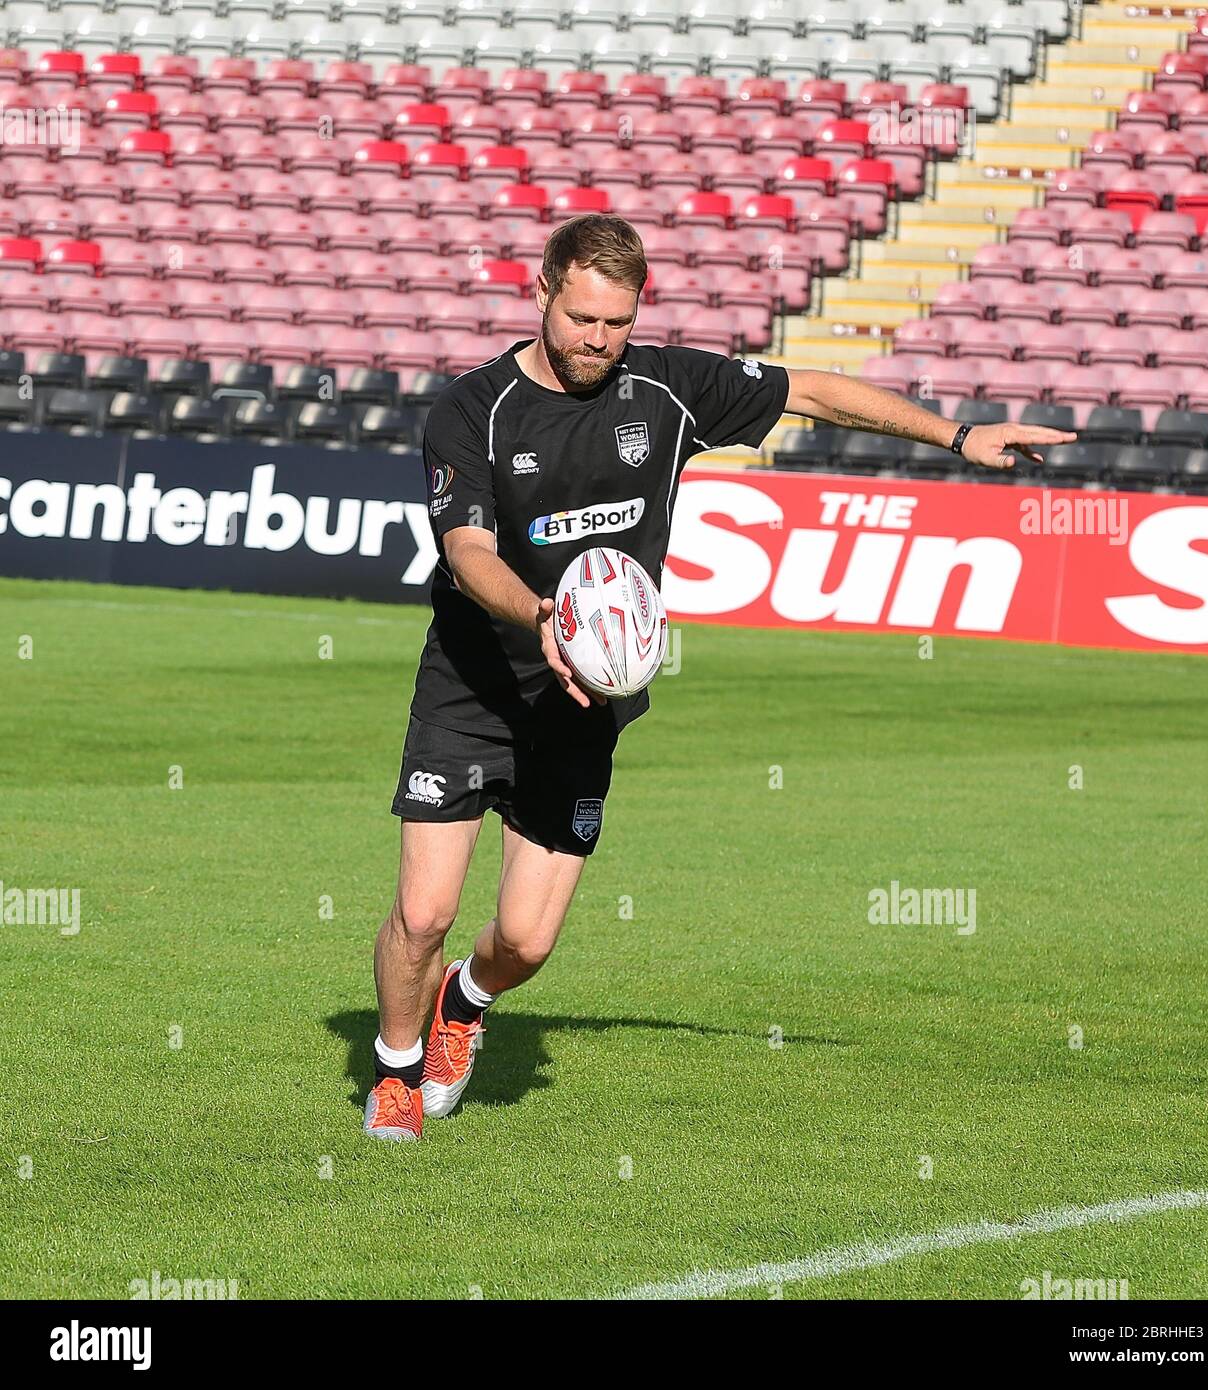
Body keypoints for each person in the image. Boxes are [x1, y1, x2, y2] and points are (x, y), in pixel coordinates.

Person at [364, 213, 1075, 1138]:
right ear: (540, 291)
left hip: (587, 701)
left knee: (527, 943)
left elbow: (812, 392)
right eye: (581, 317)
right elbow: (466, 551)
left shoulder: (666, 388)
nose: (598, 340)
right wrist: (544, 617)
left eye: (617, 324)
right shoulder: (471, 410)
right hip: (472, 686)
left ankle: (464, 1003)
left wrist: (957, 435)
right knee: (424, 912)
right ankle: (393, 1069)